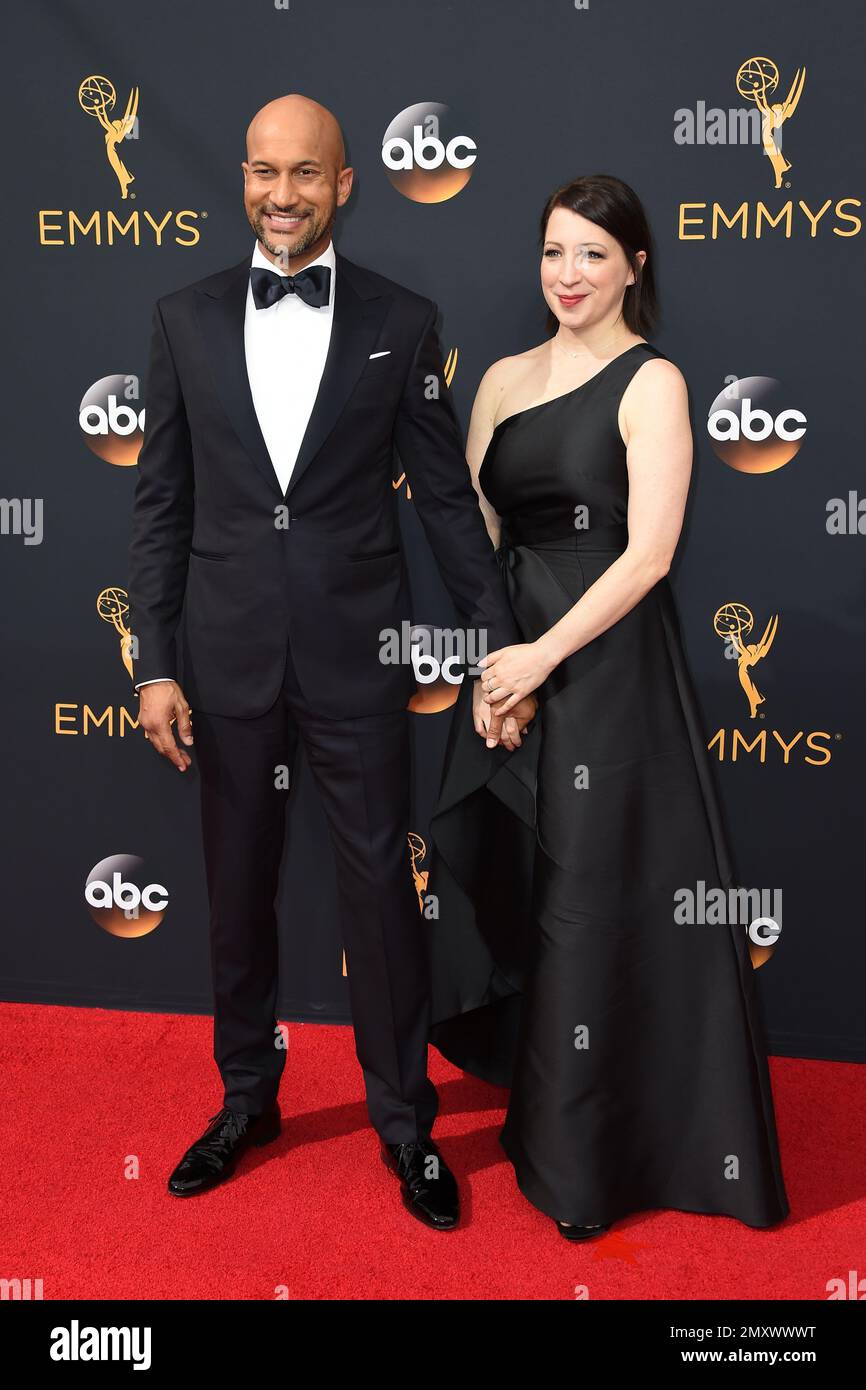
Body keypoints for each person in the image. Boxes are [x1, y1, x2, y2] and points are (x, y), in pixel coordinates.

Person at [126, 93, 535, 1230]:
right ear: (242, 177)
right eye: (263, 171)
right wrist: (154, 661)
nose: (281, 194)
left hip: (362, 663)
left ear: (345, 184)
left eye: (305, 173)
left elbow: (448, 509)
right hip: (226, 662)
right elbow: (161, 506)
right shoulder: (183, 318)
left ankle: (404, 1126)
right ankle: (244, 1098)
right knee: (234, 896)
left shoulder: (402, 321)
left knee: (379, 902)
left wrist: (500, 646)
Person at [427, 174, 790, 1239]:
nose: (568, 274)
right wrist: (494, 672)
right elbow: (474, 541)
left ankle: (593, 1161)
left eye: (592, 253)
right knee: (525, 885)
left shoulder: (653, 383)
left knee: (592, 900)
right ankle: (542, 1122)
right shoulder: (497, 378)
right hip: (513, 668)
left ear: (635, 264)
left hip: (605, 674)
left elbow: (648, 556)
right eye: (552, 251)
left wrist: (540, 657)